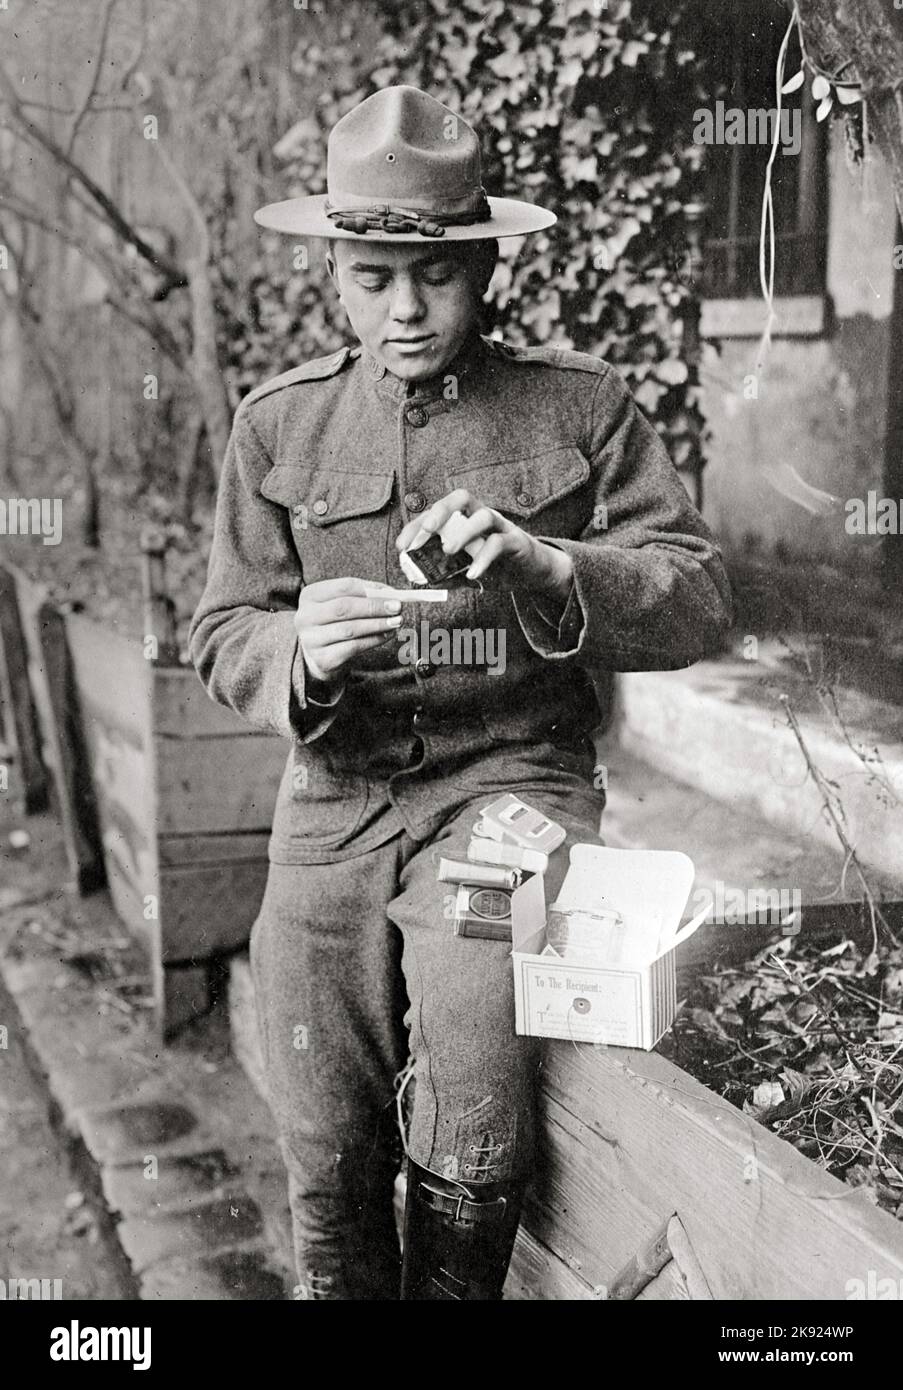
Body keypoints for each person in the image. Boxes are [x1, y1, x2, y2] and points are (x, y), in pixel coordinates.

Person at [189, 84, 732, 1301]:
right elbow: (220, 625)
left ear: (483, 263)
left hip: (511, 785)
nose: (404, 309)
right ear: (336, 268)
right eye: (372, 277)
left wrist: (554, 564)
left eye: (433, 274)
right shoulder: (279, 426)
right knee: (317, 1093)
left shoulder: (578, 406)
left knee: (478, 1021)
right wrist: (296, 652)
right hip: (335, 798)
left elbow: (699, 598)